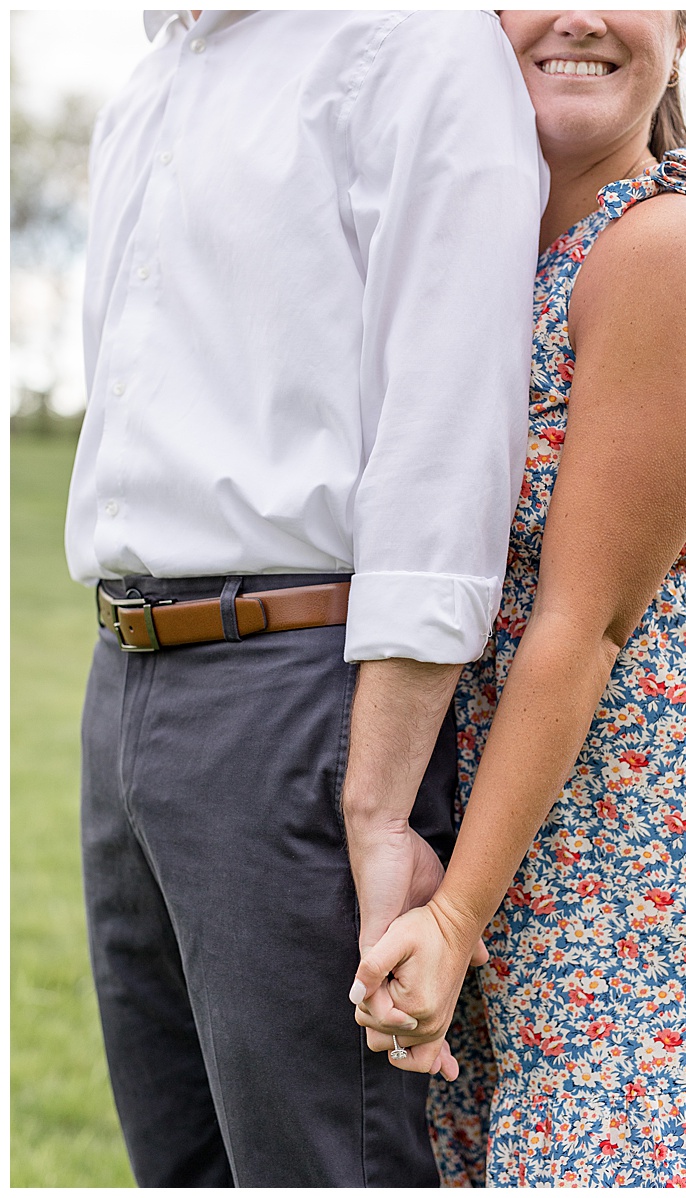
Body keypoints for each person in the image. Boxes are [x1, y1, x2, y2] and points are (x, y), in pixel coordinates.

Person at [67, 10, 543, 1186]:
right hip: (124, 674)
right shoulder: (152, 80)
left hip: (293, 687)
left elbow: (446, 435)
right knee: (179, 1156)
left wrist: (378, 806)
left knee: (320, 1162)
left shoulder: (410, 41)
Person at [347, 11, 686, 1187]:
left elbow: (582, 622)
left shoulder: (662, 245)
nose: (582, 16)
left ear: (683, 28)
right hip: (498, 803)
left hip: (631, 805)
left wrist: (453, 920)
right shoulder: (479, 250)